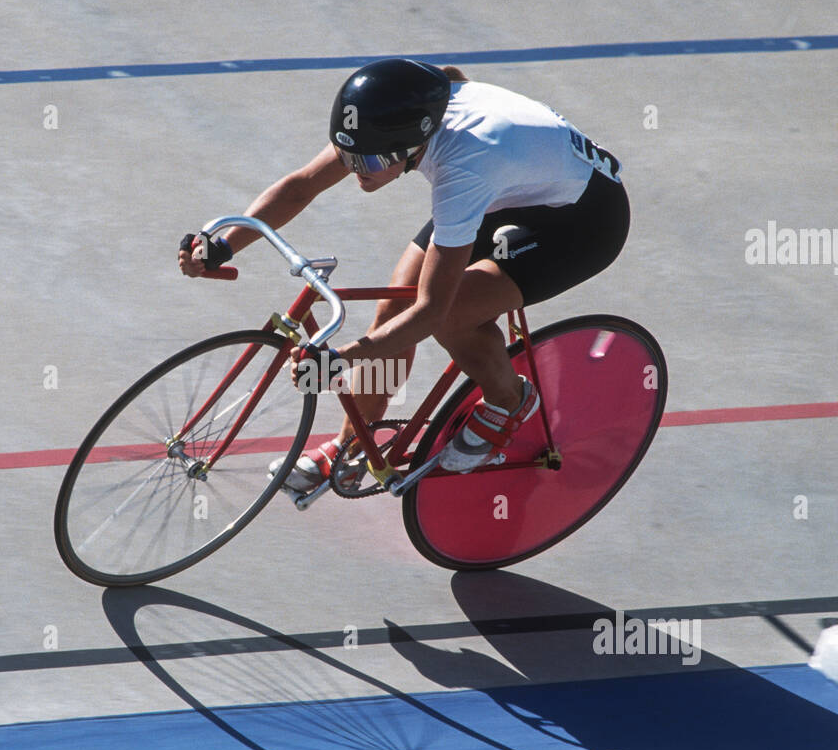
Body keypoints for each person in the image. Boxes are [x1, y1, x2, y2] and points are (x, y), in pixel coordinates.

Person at [178, 57, 629, 497]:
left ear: (414, 147)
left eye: (370, 164)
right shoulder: (392, 119)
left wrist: (343, 357)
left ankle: (510, 401)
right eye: (348, 157)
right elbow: (301, 186)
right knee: (395, 305)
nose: (357, 173)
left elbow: (431, 312)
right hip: (515, 185)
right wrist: (222, 245)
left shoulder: (462, 170)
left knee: (451, 315)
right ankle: (352, 447)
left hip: (583, 223)